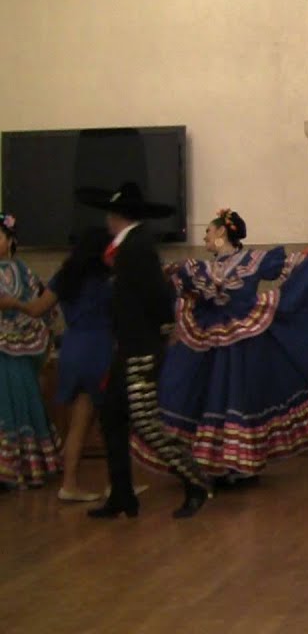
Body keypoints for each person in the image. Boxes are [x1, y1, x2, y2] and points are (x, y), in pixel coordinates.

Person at [132, 209, 308, 484]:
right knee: (208, 398)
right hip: (209, 343)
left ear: (222, 232)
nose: (205, 237)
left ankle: (240, 464)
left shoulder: (251, 259)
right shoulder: (200, 268)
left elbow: (295, 264)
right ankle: (216, 465)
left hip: (243, 341)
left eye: (209, 232)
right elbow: (183, 283)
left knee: (239, 399)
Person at [76, 182, 211, 519]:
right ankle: (122, 495)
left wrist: (163, 333)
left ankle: (195, 482)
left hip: (141, 348)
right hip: (131, 346)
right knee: (112, 416)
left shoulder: (136, 248)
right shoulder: (131, 246)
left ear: (117, 215)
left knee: (147, 422)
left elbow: (158, 295)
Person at [0, 227, 113, 501]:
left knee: (78, 420)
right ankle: (115, 484)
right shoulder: (107, 279)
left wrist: (13, 302)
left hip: (72, 349)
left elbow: (38, 308)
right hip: (101, 348)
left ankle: (70, 483)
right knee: (111, 421)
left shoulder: (66, 276)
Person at [0, 212, 61, 491]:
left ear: (11, 240)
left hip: (19, 349)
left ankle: (22, 467)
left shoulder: (23, 270)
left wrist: (22, 313)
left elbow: (44, 303)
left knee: (20, 401)